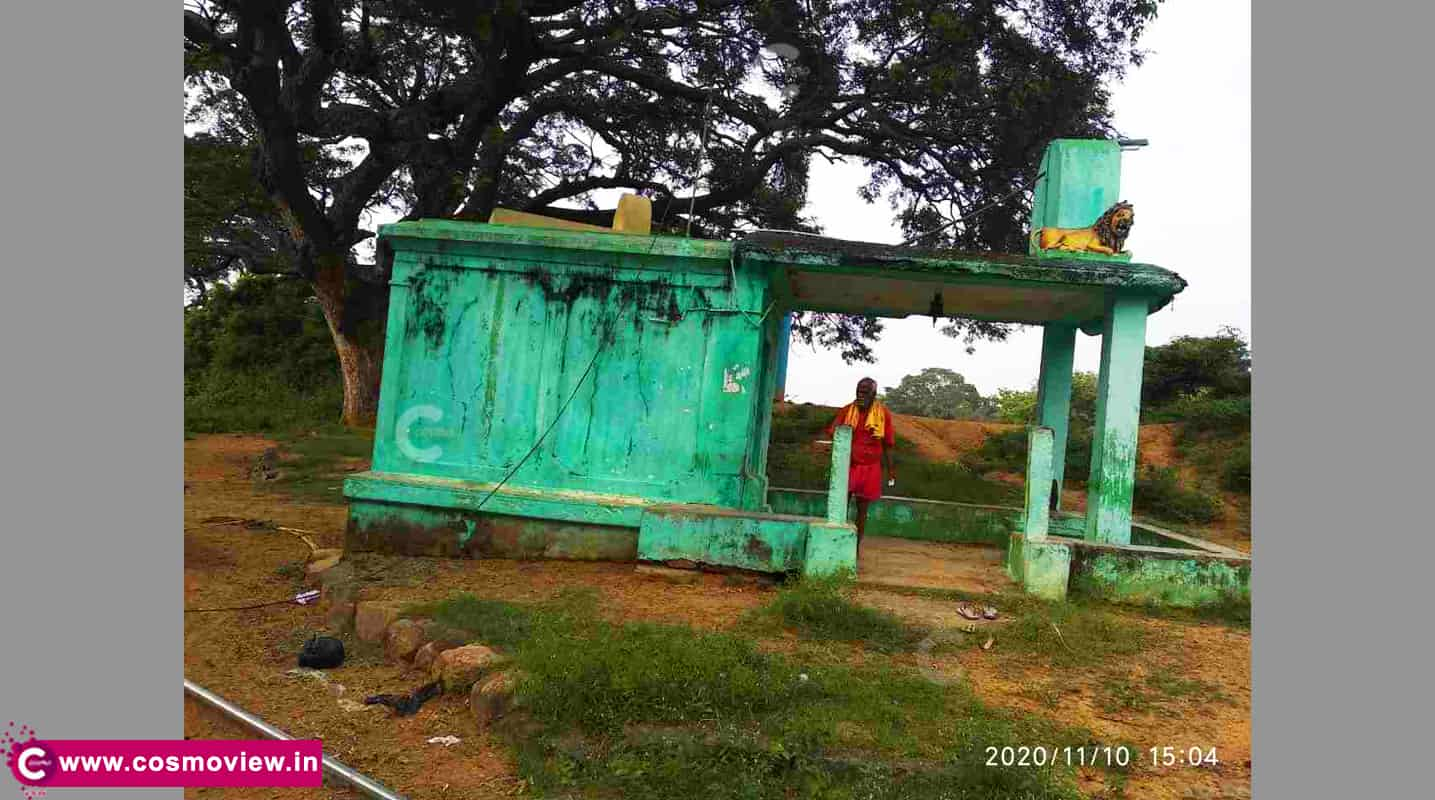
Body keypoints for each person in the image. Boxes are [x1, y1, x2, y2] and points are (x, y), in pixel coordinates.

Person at [820, 377, 896, 549]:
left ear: (874, 394)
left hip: (870, 467)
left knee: (862, 510)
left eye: (865, 392)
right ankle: (836, 545)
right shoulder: (847, 411)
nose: (861, 395)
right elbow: (834, 434)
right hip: (848, 465)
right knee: (841, 505)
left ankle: (854, 549)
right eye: (858, 391)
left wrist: (891, 470)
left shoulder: (883, 414)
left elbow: (888, 444)